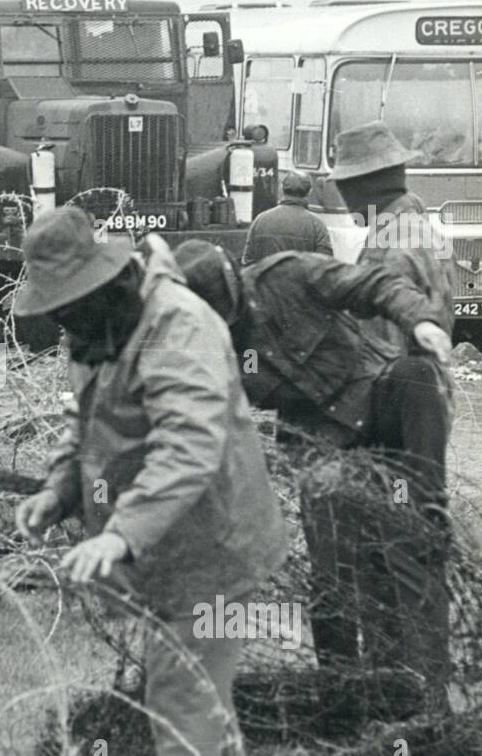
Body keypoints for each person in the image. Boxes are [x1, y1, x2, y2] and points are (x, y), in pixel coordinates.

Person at [12, 206, 287, 756]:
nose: (63, 321)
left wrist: (119, 534)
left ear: (108, 283)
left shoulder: (179, 326)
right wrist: (61, 489)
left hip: (218, 551)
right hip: (171, 550)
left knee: (182, 705)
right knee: (199, 702)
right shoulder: (98, 326)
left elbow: (188, 445)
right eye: (56, 309)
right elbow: (89, 427)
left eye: (71, 305)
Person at [176, 240, 454, 713]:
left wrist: (420, 319)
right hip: (320, 444)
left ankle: (428, 699)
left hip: (377, 402)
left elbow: (371, 282)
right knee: (337, 574)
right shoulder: (203, 346)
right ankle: (345, 697)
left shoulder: (286, 274)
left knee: (415, 381)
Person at [330, 121, 454, 360]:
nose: (344, 198)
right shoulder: (426, 231)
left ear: (363, 186)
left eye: (343, 185)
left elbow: (380, 348)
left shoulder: (388, 250)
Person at [241, 171, 333, 265]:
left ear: (281, 188)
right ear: (309, 192)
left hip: (266, 279)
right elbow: (324, 266)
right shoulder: (317, 225)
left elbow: (247, 262)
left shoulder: (260, 220)